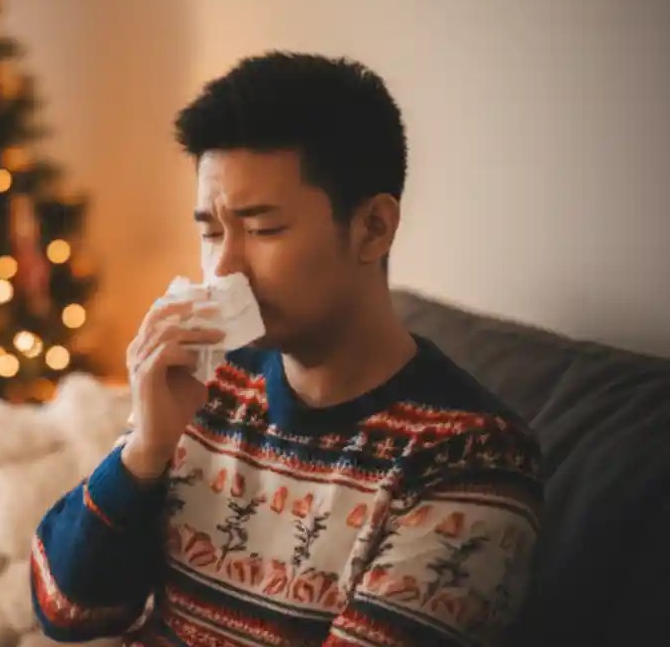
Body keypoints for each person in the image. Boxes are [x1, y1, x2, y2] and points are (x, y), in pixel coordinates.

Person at [30, 52, 542, 646]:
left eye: (263, 229)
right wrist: (144, 450)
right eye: (210, 231)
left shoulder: (468, 460)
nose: (223, 268)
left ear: (373, 227)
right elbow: (68, 612)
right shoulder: (209, 384)